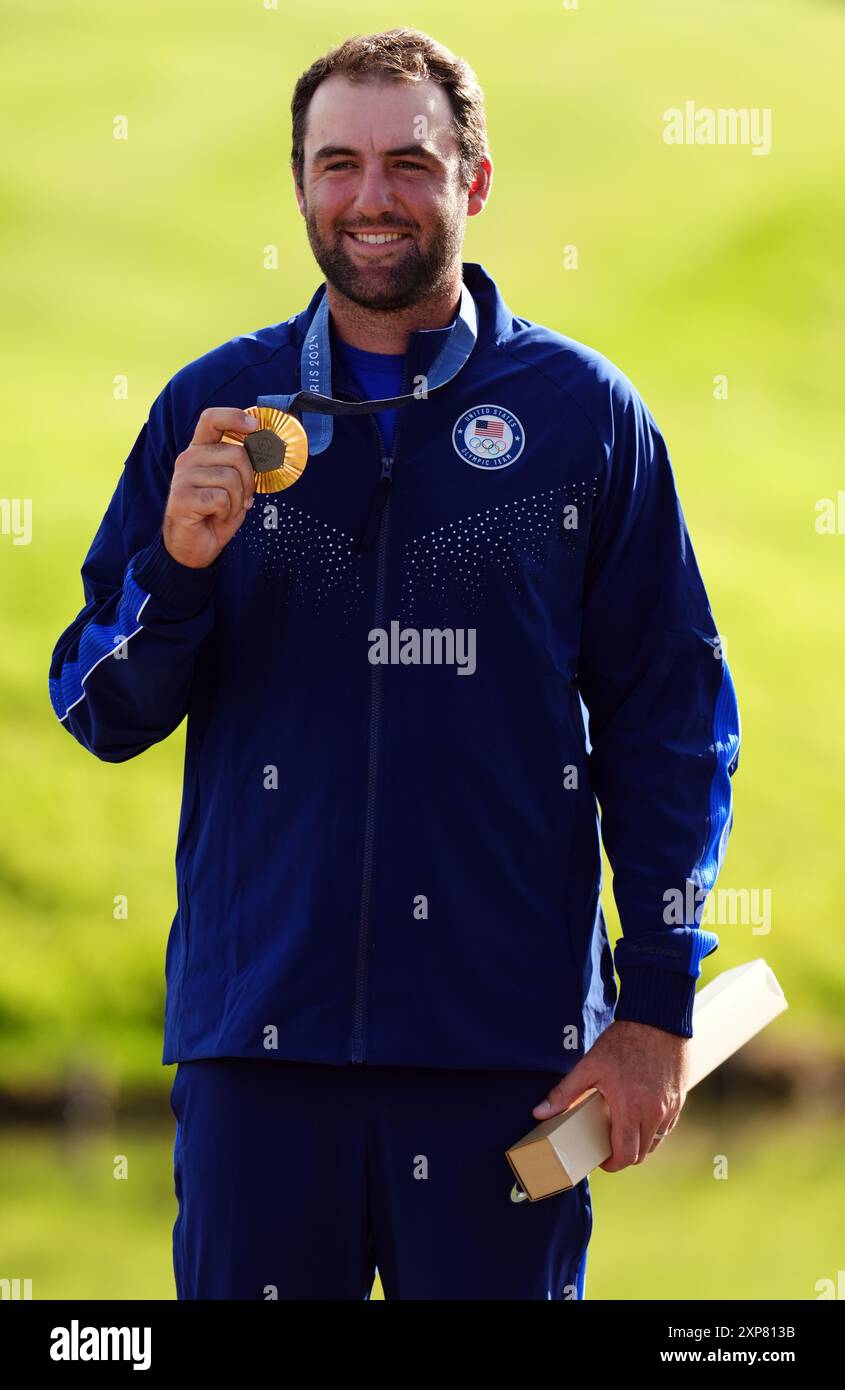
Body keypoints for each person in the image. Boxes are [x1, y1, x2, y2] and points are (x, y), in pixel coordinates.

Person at [48, 27, 741, 1300]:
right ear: (301, 185)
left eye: (410, 164)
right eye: (338, 164)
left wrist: (652, 1011)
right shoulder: (214, 407)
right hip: (258, 1047)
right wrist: (181, 568)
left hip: (504, 1059)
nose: (371, 199)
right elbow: (102, 705)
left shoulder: (583, 417)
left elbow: (671, 725)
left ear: (473, 181)